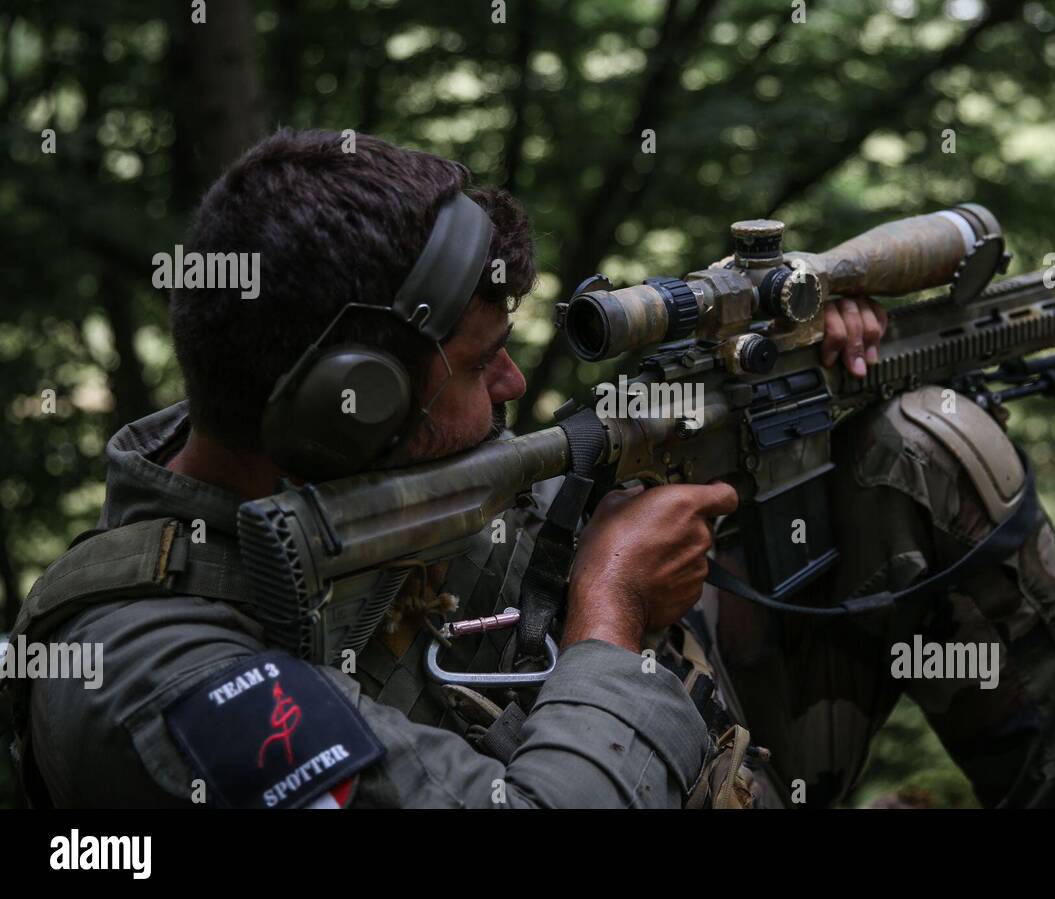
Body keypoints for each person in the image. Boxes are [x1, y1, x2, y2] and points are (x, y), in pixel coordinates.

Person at [3, 129, 739, 808]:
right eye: (481, 362)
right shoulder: (174, 688)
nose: (513, 383)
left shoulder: (359, 489)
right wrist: (612, 609)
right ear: (349, 411)